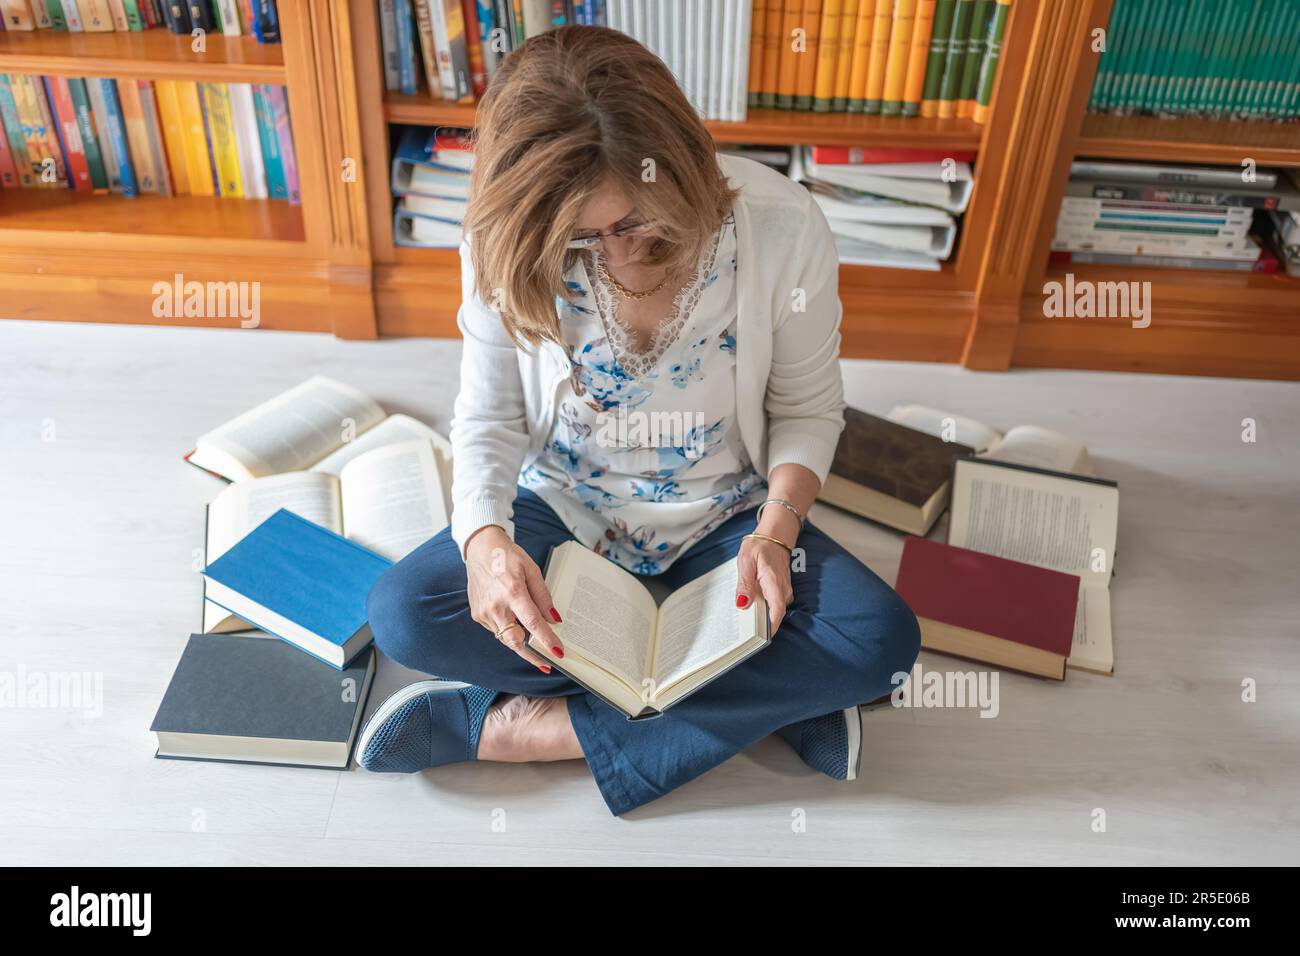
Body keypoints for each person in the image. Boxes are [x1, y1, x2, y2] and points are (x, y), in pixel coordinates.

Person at [360, 25, 920, 816]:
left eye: (632, 225)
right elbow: (487, 416)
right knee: (405, 615)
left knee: (881, 645)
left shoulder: (784, 226)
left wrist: (777, 530)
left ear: (680, 170)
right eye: (583, 239)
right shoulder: (505, 239)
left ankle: (522, 731)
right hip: (562, 512)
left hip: (730, 517)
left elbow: (806, 408)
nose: (616, 255)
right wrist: (486, 543)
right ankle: (770, 707)